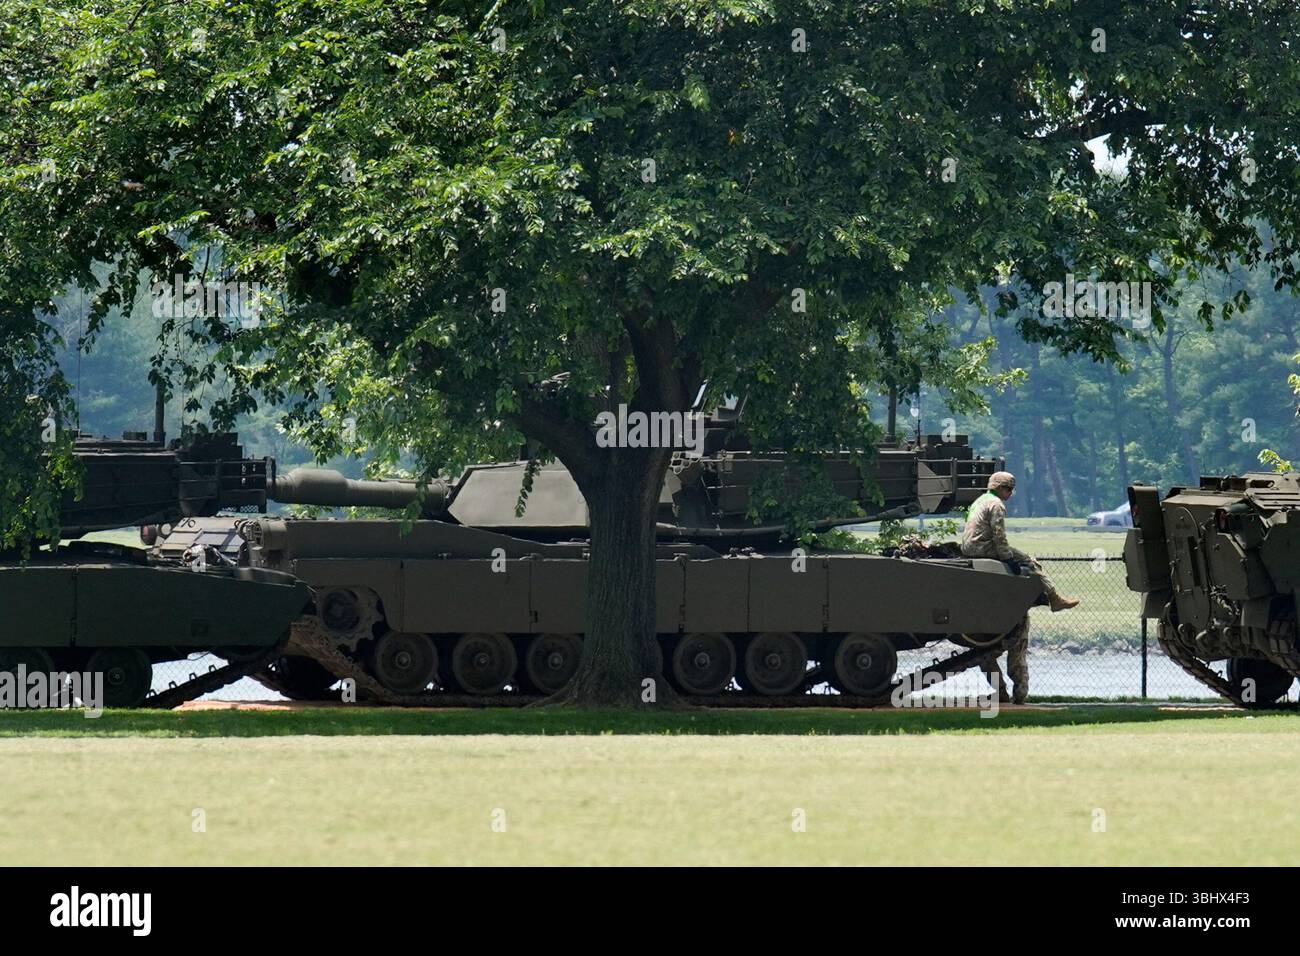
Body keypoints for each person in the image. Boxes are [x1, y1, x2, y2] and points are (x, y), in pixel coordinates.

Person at [960, 471, 1079, 703]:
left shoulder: (979, 501)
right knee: (1030, 562)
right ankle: (1054, 597)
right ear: (1003, 489)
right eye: (1010, 490)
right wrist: (1008, 558)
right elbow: (998, 535)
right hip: (986, 548)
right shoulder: (996, 505)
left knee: (984, 654)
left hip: (970, 549)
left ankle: (1001, 692)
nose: (1011, 494)